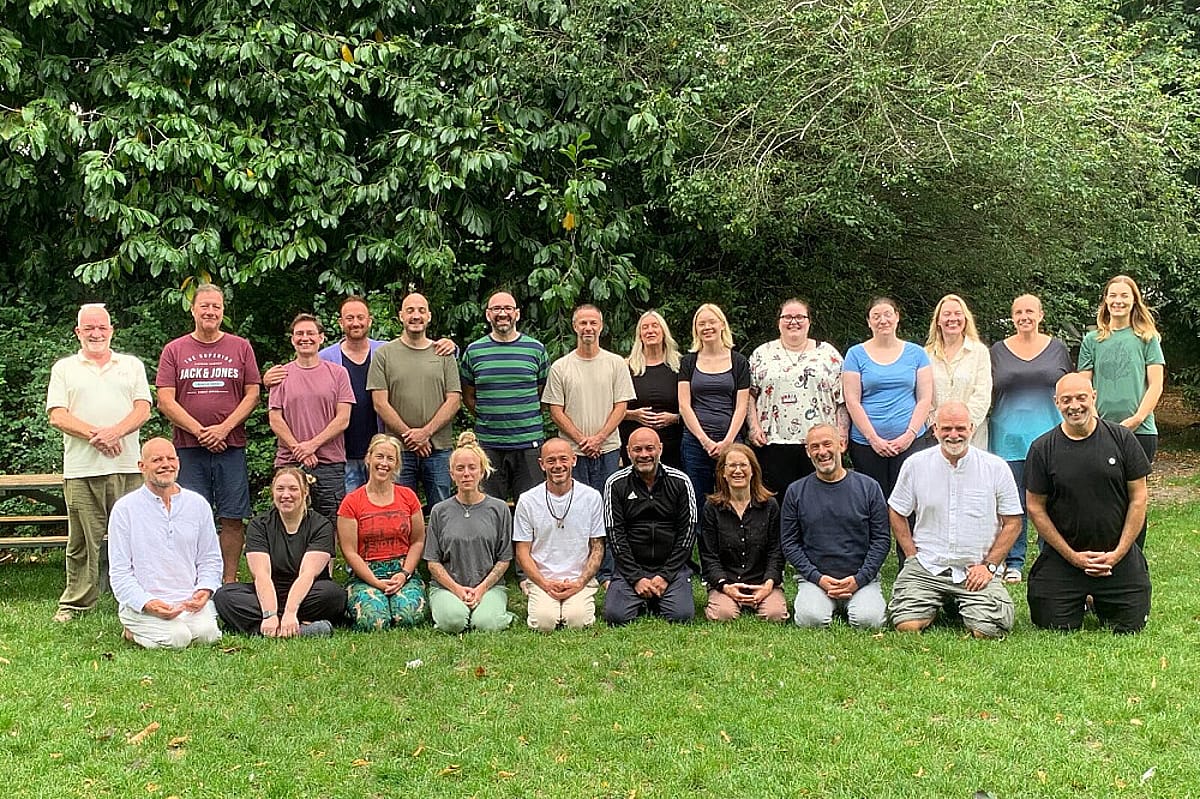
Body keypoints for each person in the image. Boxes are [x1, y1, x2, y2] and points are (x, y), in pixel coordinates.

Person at [261, 295, 455, 494]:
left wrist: (451, 346)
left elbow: (416, 355)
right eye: (349, 318)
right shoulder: (326, 357)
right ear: (340, 322)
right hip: (342, 450)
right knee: (349, 506)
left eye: (360, 317)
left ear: (369, 321)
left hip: (380, 447)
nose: (355, 323)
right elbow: (302, 373)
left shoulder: (385, 351)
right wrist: (267, 380)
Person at [46, 303, 152, 623]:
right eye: (89, 328)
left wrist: (115, 432)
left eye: (102, 327)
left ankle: (141, 598)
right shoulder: (64, 368)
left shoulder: (131, 365)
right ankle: (76, 603)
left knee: (137, 536)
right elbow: (57, 415)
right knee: (82, 541)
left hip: (128, 467)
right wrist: (98, 435)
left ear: (111, 331)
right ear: (78, 332)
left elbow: (143, 409)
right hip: (82, 468)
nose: (96, 333)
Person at [1025, 373, 1151, 634]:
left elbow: (1139, 498)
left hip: (1115, 557)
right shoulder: (1042, 448)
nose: (1075, 406)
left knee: (1130, 624)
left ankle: (1098, 598)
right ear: (1056, 402)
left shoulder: (1122, 439)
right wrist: (1073, 557)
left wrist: (1118, 553)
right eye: (1066, 400)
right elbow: (1035, 507)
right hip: (1063, 558)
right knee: (1053, 623)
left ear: (1094, 397)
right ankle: (1082, 596)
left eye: (1081, 397)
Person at [887, 402, 1022, 638]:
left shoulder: (996, 468)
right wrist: (911, 556)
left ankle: (957, 604)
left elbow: (1013, 522)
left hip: (975, 569)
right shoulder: (916, 465)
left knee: (987, 630)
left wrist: (989, 566)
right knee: (905, 625)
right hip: (928, 566)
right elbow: (897, 510)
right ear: (935, 429)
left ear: (971, 428)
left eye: (960, 428)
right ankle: (937, 603)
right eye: (946, 428)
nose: (953, 435)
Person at [156, 283, 261, 583]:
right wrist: (200, 431)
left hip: (231, 446)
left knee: (232, 516)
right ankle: (193, 580)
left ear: (223, 311)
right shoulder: (174, 350)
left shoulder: (240, 347)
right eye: (204, 306)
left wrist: (224, 429)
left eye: (216, 306)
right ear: (193, 310)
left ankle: (228, 582)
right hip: (188, 448)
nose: (210, 311)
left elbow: (253, 393)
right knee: (187, 517)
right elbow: (165, 399)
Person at [107, 438, 223, 649]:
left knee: (208, 636)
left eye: (171, 459)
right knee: (178, 639)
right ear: (142, 466)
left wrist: (204, 590)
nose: (166, 464)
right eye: (157, 460)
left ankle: (173, 626)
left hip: (188, 602)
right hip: (145, 602)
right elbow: (120, 571)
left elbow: (210, 558)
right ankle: (131, 631)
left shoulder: (197, 504)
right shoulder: (125, 509)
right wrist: (147, 603)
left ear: (178, 462)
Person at [988, 294, 1072, 583]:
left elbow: (1069, 388)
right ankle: (1013, 560)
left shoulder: (1058, 349)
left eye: (1030, 311)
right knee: (1013, 502)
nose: (1024, 317)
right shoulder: (997, 351)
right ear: (1012, 317)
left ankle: (1050, 556)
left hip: (1050, 436)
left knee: (1051, 500)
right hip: (1007, 437)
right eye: (1018, 312)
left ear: (1041, 315)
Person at [213, 467, 347, 637]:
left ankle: (268, 627)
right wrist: (269, 614)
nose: (286, 495)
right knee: (224, 596)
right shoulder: (259, 525)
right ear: (273, 492)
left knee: (334, 594)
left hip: (308, 593)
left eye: (293, 489)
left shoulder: (321, 525)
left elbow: (307, 574)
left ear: (305, 492)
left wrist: (290, 612)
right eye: (280, 489)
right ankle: (300, 630)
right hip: (268, 592)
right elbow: (261, 575)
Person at [780, 424, 890, 629]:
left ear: (841, 445)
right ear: (808, 452)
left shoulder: (869, 487)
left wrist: (860, 579)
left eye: (827, 444)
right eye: (815, 447)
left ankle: (860, 600)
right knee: (811, 620)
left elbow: (881, 540)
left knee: (869, 621)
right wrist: (817, 578)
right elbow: (790, 543)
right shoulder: (795, 491)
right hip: (815, 580)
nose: (822, 452)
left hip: (861, 579)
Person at [368, 292, 462, 505]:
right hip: (397, 450)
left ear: (429, 316)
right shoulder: (384, 354)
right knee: (398, 508)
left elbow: (454, 400)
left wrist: (425, 433)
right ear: (401, 316)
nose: (416, 316)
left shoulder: (443, 353)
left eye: (421, 310)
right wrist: (411, 436)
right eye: (410, 311)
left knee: (442, 509)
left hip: (438, 448)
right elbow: (380, 403)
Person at [748, 298, 848, 494]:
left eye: (800, 317)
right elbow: (749, 396)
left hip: (819, 445)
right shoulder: (761, 354)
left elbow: (842, 400)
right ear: (778, 322)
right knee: (777, 500)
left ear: (809, 321)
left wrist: (841, 434)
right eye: (787, 317)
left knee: (819, 498)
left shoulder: (829, 354)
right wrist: (753, 427)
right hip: (772, 442)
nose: (793, 322)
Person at [460, 290, 550, 503]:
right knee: (489, 507)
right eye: (496, 309)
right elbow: (468, 396)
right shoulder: (474, 351)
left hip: (528, 444)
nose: (502, 313)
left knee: (531, 507)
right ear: (488, 314)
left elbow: (543, 393)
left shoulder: (536, 349)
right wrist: (490, 417)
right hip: (489, 445)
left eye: (508, 308)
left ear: (517, 313)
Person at [602, 427, 697, 625]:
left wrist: (665, 576)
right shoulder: (615, 483)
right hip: (631, 567)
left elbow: (687, 535)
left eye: (649, 448)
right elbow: (615, 536)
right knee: (616, 616)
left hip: (671, 567)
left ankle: (655, 596)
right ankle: (643, 595)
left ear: (660, 449)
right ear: (628, 451)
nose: (644, 455)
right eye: (637, 449)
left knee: (681, 616)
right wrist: (636, 578)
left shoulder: (681, 482)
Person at [842, 296, 933, 500]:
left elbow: (925, 398)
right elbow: (852, 400)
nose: (882, 320)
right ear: (869, 322)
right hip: (867, 445)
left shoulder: (917, 353)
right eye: (876, 316)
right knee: (872, 501)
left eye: (887, 314)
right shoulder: (855, 354)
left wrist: (908, 436)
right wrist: (874, 439)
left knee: (909, 501)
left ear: (897, 317)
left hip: (911, 442)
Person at [267, 313, 354, 522]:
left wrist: (312, 446)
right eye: (299, 334)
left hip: (329, 463)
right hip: (289, 462)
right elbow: (275, 419)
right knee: (288, 521)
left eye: (310, 333)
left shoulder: (338, 373)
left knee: (330, 523)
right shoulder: (281, 374)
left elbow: (343, 418)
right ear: (292, 339)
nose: (305, 338)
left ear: (321, 338)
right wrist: (299, 449)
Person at [424, 432, 514, 633]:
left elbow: (504, 559)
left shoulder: (499, 509)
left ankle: (495, 613)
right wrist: (456, 589)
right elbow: (433, 562)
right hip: (447, 587)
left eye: (472, 468)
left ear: (482, 471)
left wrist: (481, 589)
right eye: (460, 469)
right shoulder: (439, 511)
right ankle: (455, 610)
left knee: (485, 624)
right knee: (453, 622)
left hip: (489, 587)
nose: (466, 474)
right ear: (451, 474)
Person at [337, 434, 428, 631]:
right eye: (379, 456)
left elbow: (418, 541)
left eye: (390, 459)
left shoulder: (408, 497)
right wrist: (375, 582)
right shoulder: (351, 502)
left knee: (408, 617)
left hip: (402, 571)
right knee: (374, 622)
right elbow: (349, 551)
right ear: (368, 458)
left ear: (397, 464)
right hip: (366, 574)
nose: (384, 463)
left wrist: (404, 574)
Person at [513, 438, 606, 631]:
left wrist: (580, 582)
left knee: (577, 621)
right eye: (551, 460)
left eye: (563, 459)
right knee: (544, 623)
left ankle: (572, 603)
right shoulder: (528, 500)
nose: (558, 465)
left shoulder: (592, 497)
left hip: (579, 579)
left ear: (574, 460)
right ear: (542, 464)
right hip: (542, 579)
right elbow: (522, 551)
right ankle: (546, 602)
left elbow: (597, 547)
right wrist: (545, 584)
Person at [543, 304, 636, 490]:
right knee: (576, 502)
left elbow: (621, 407)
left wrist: (599, 439)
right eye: (583, 323)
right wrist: (582, 441)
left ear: (601, 326)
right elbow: (556, 411)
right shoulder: (560, 367)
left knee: (608, 500)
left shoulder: (616, 363)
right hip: (572, 452)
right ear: (574, 326)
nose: (588, 328)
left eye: (593, 323)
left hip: (608, 449)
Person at [1077, 275, 1165, 464]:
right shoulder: (1091, 340)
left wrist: (1137, 419)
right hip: (1099, 431)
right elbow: (1083, 387)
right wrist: (1096, 422)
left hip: (1141, 431)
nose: (1118, 301)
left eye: (1124, 296)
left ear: (1134, 301)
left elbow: (1156, 385)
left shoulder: (1147, 338)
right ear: (1106, 300)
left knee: (1137, 484)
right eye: (1113, 295)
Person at [699, 444, 786, 623]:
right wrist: (725, 586)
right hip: (726, 582)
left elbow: (776, 552)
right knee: (723, 615)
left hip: (762, 581)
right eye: (732, 465)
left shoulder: (770, 506)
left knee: (775, 615)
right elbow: (708, 555)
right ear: (723, 472)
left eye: (743, 465)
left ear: (753, 470)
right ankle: (724, 599)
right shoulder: (711, 508)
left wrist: (768, 585)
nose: (738, 471)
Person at [678, 303, 751, 506]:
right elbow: (684, 405)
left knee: (733, 497)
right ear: (696, 329)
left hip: (731, 441)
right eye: (701, 324)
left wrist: (727, 441)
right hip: (695, 443)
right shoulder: (688, 362)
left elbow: (741, 406)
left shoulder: (739, 362)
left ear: (722, 325)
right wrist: (705, 441)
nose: (707, 327)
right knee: (698, 499)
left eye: (712, 322)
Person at [925, 294, 991, 448]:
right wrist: (936, 425)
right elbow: (923, 396)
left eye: (957, 313)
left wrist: (965, 427)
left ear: (965, 318)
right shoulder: (926, 355)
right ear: (938, 321)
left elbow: (982, 395)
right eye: (947, 314)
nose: (952, 318)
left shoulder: (979, 352)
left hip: (973, 435)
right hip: (936, 436)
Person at [620, 310, 683, 469]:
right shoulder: (626, 367)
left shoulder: (680, 366)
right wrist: (633, 415)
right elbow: (611, 409)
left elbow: (692, 406)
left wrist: (675, 418)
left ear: (664, 332)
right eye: (645, 327)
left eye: (655, 326)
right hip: (636, 449)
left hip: (674, 446)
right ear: (639, 335)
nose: (650, 331)